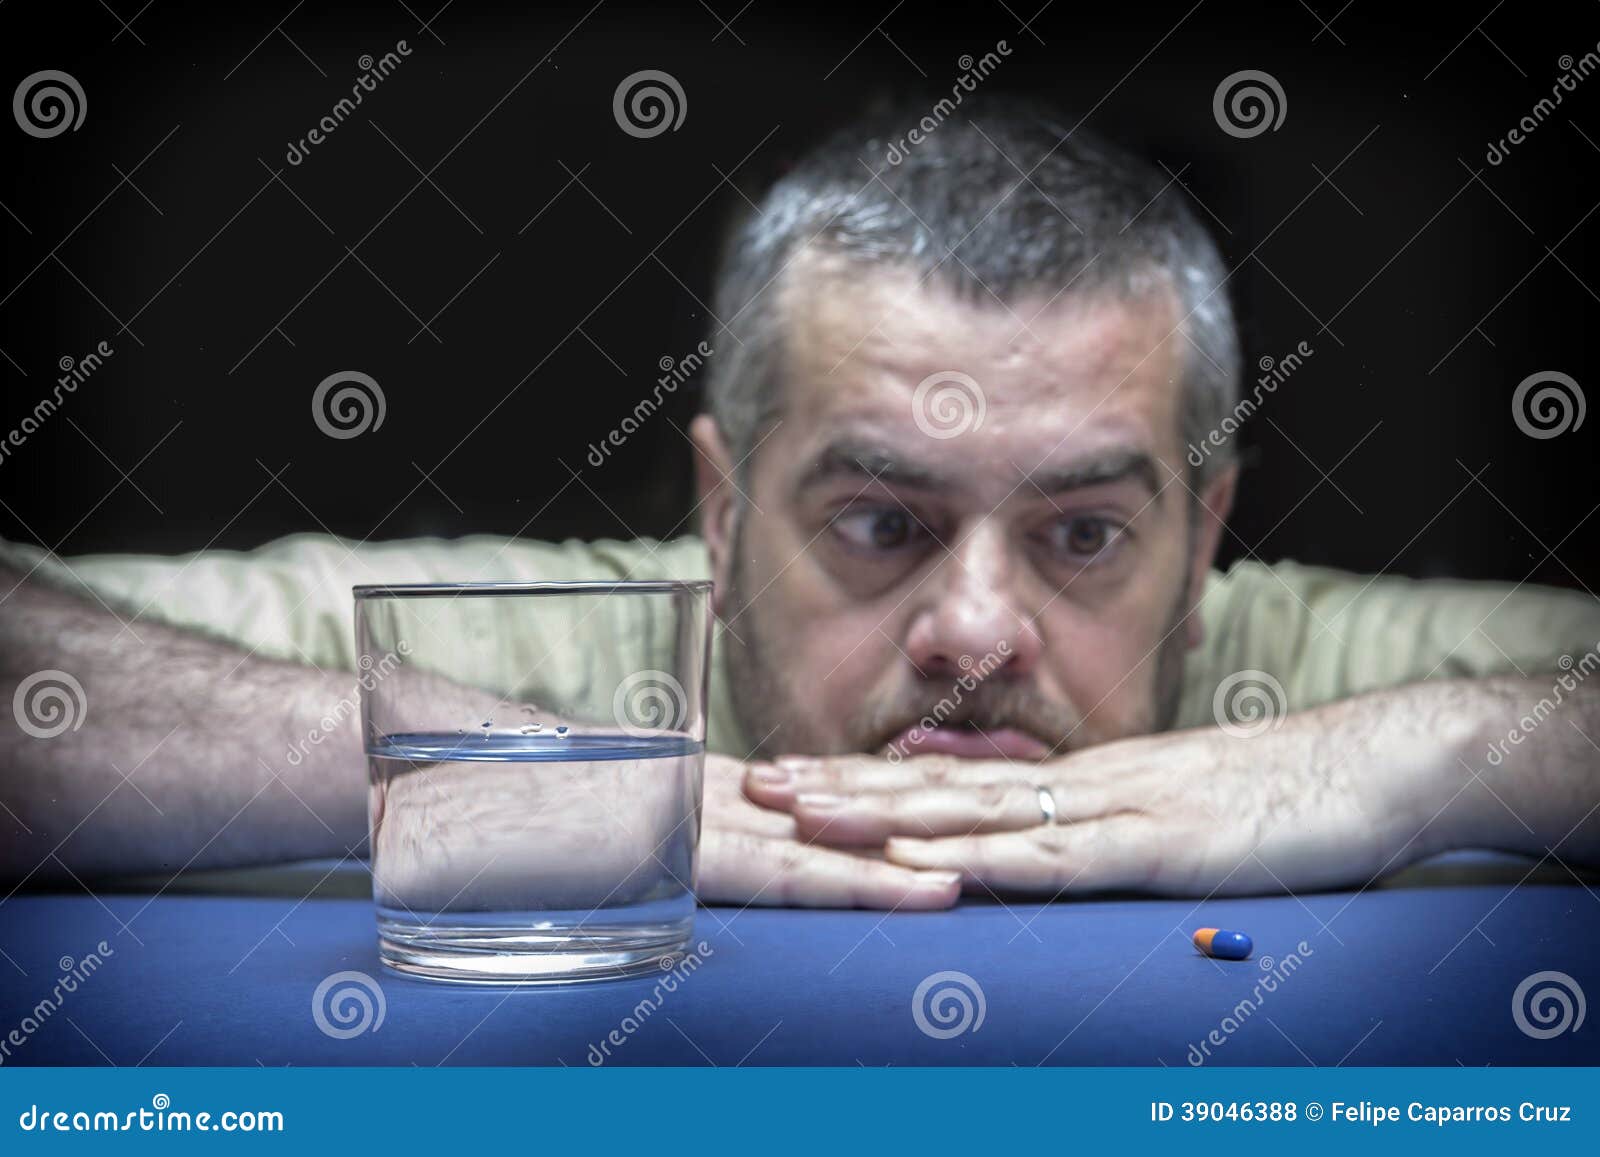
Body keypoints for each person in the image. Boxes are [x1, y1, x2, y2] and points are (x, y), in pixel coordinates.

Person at [3, 99, 1597, 908]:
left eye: (1086, 534)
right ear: (716, 510)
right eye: (881, 522)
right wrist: (506, 769)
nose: (976, 632)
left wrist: (1451, 751)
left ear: (1206, 541)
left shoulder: (1324, 670)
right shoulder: (554, 649)